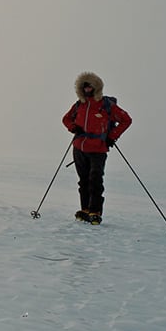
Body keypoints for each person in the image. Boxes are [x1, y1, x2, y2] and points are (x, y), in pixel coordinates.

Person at [62, 72, 132, 225]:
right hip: (79, 148)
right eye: (84, 86)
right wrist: (73, 128)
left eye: (90, 85)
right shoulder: (79, 104)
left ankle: (95, 211)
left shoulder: (106, 105)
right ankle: (85, 209)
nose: (87, 89)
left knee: (95, 180)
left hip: (98, 149)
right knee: (83, 181)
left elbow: (126, 120)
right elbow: (66, 119)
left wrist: (112, 137)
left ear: (96, 87)